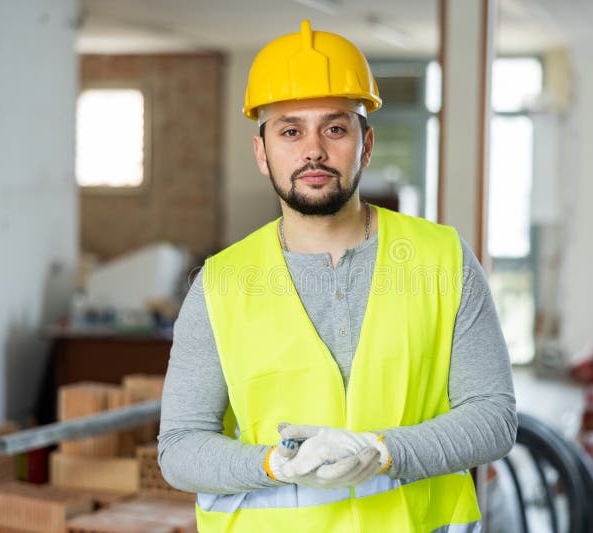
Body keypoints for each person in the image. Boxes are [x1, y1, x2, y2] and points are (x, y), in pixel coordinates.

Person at [158, 19, 517, 533]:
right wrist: (272, 464)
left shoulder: (443, 259)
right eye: (289, 130)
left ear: (365, 145)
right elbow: (180, 448)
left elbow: (493, 417)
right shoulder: (219, 285)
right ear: (262, 153)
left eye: (334, 127)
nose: (313, 150)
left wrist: (383, 451)